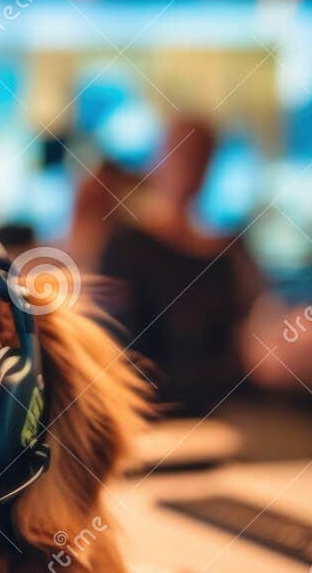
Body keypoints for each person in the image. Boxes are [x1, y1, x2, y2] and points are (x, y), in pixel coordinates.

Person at [100, 115, 263, 415]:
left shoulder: (225, 253)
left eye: (200, 157)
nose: (190, 168)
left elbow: (236, 343)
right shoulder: (127, 246)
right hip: (149, 409)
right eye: (181, 154)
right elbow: (123, 346)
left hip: (219, 410)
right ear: (158, 159)